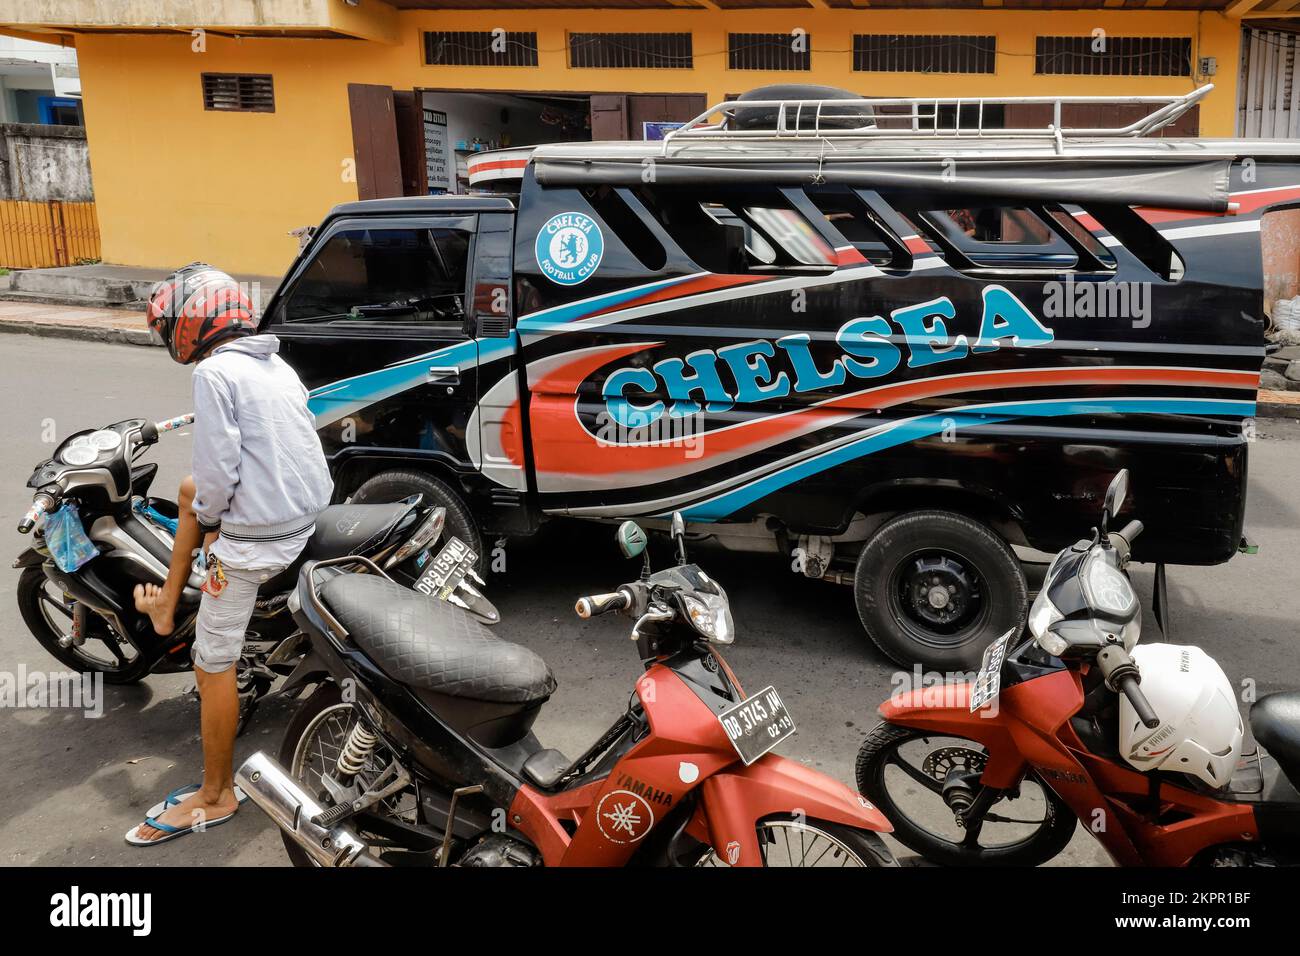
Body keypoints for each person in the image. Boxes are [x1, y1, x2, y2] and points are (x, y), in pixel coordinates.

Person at [126, 263, 333, 846]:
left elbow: (218, 475)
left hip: (259, 543)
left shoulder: (215, 374)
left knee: (211, 663)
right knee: (189, 495)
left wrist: (216, 532)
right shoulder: (274, 364)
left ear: (189, 323)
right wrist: (209, 515)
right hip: (304, 515)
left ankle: (215, 795)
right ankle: (168, 604)